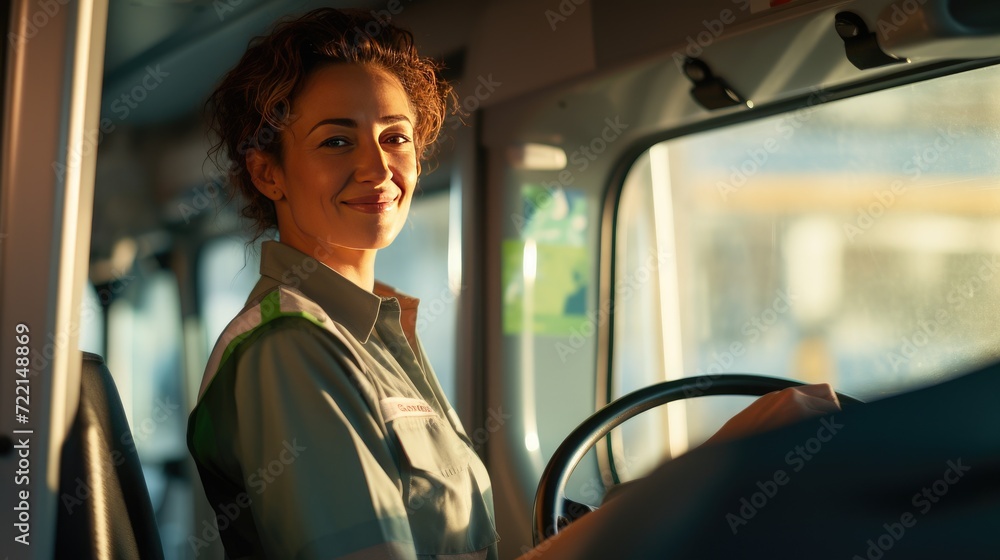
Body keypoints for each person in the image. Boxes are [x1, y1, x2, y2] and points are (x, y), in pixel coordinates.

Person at [186, 8, 841, 560]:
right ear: (269, 172)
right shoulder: (292, 347)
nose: (378, 168)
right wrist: (708, 475)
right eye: (336, 142)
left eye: (395, 137)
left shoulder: (371, 335)